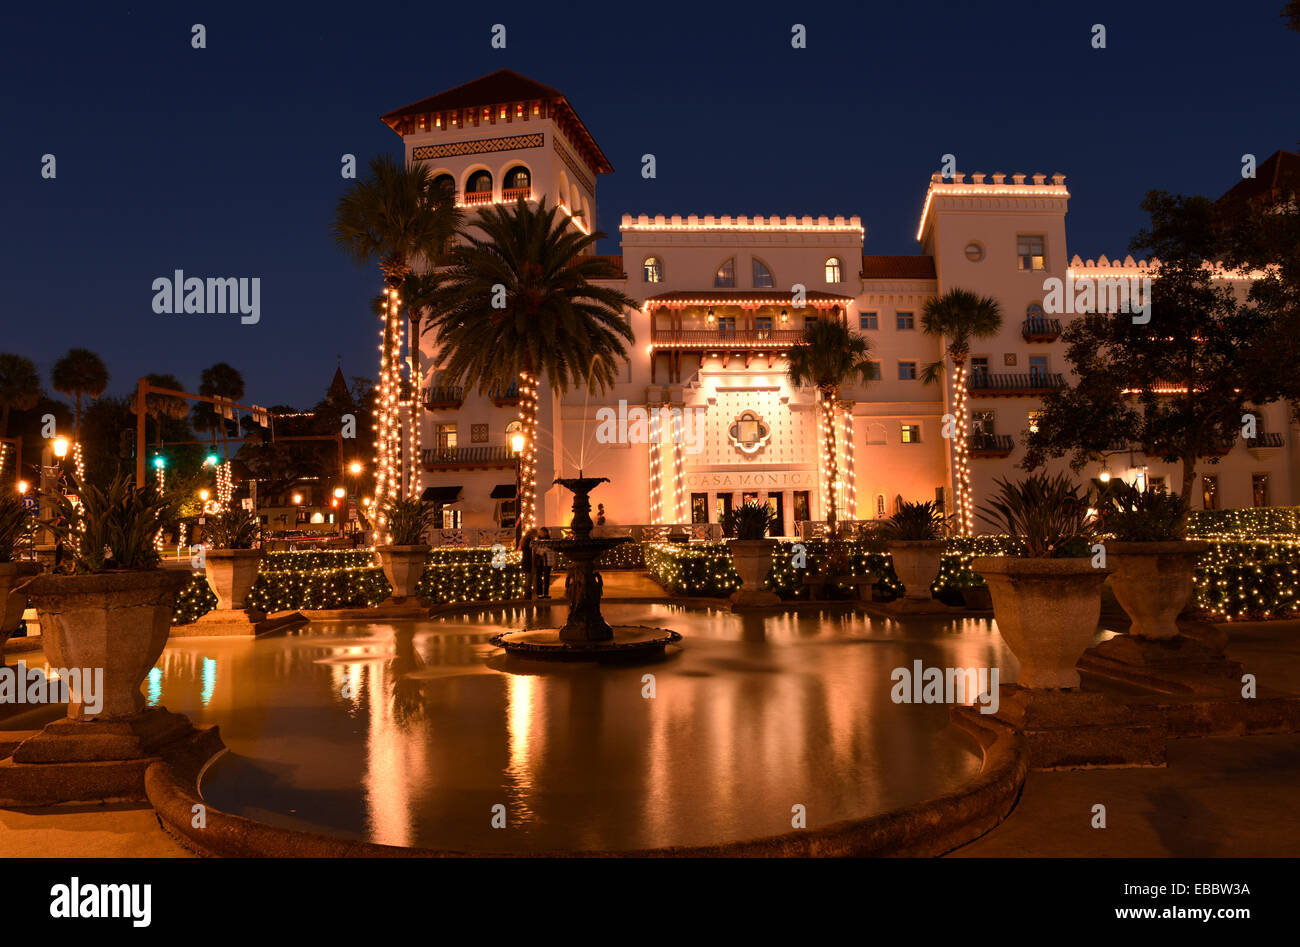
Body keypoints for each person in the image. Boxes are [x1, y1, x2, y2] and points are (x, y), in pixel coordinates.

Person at [520, 527, 537, 600]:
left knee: (527, 579)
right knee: (529, 580)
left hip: (525, 561)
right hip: (529, 562)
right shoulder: (530, 540)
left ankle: (527, 595)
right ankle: (527, 596)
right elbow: (532, 551)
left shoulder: (524, 540)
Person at [536, 528, 553, 598]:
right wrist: (541, 551)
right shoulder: (537, 540)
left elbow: (548, 549)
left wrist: (540, 551)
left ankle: (546, 593)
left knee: (547, 577)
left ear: (545, 532)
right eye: (539, 532)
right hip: (539, 561)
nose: (540, 533)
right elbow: (535, 548)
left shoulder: (549, 540)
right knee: (538, 577)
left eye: (541, 532)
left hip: (547, 560)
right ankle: (539, 593)